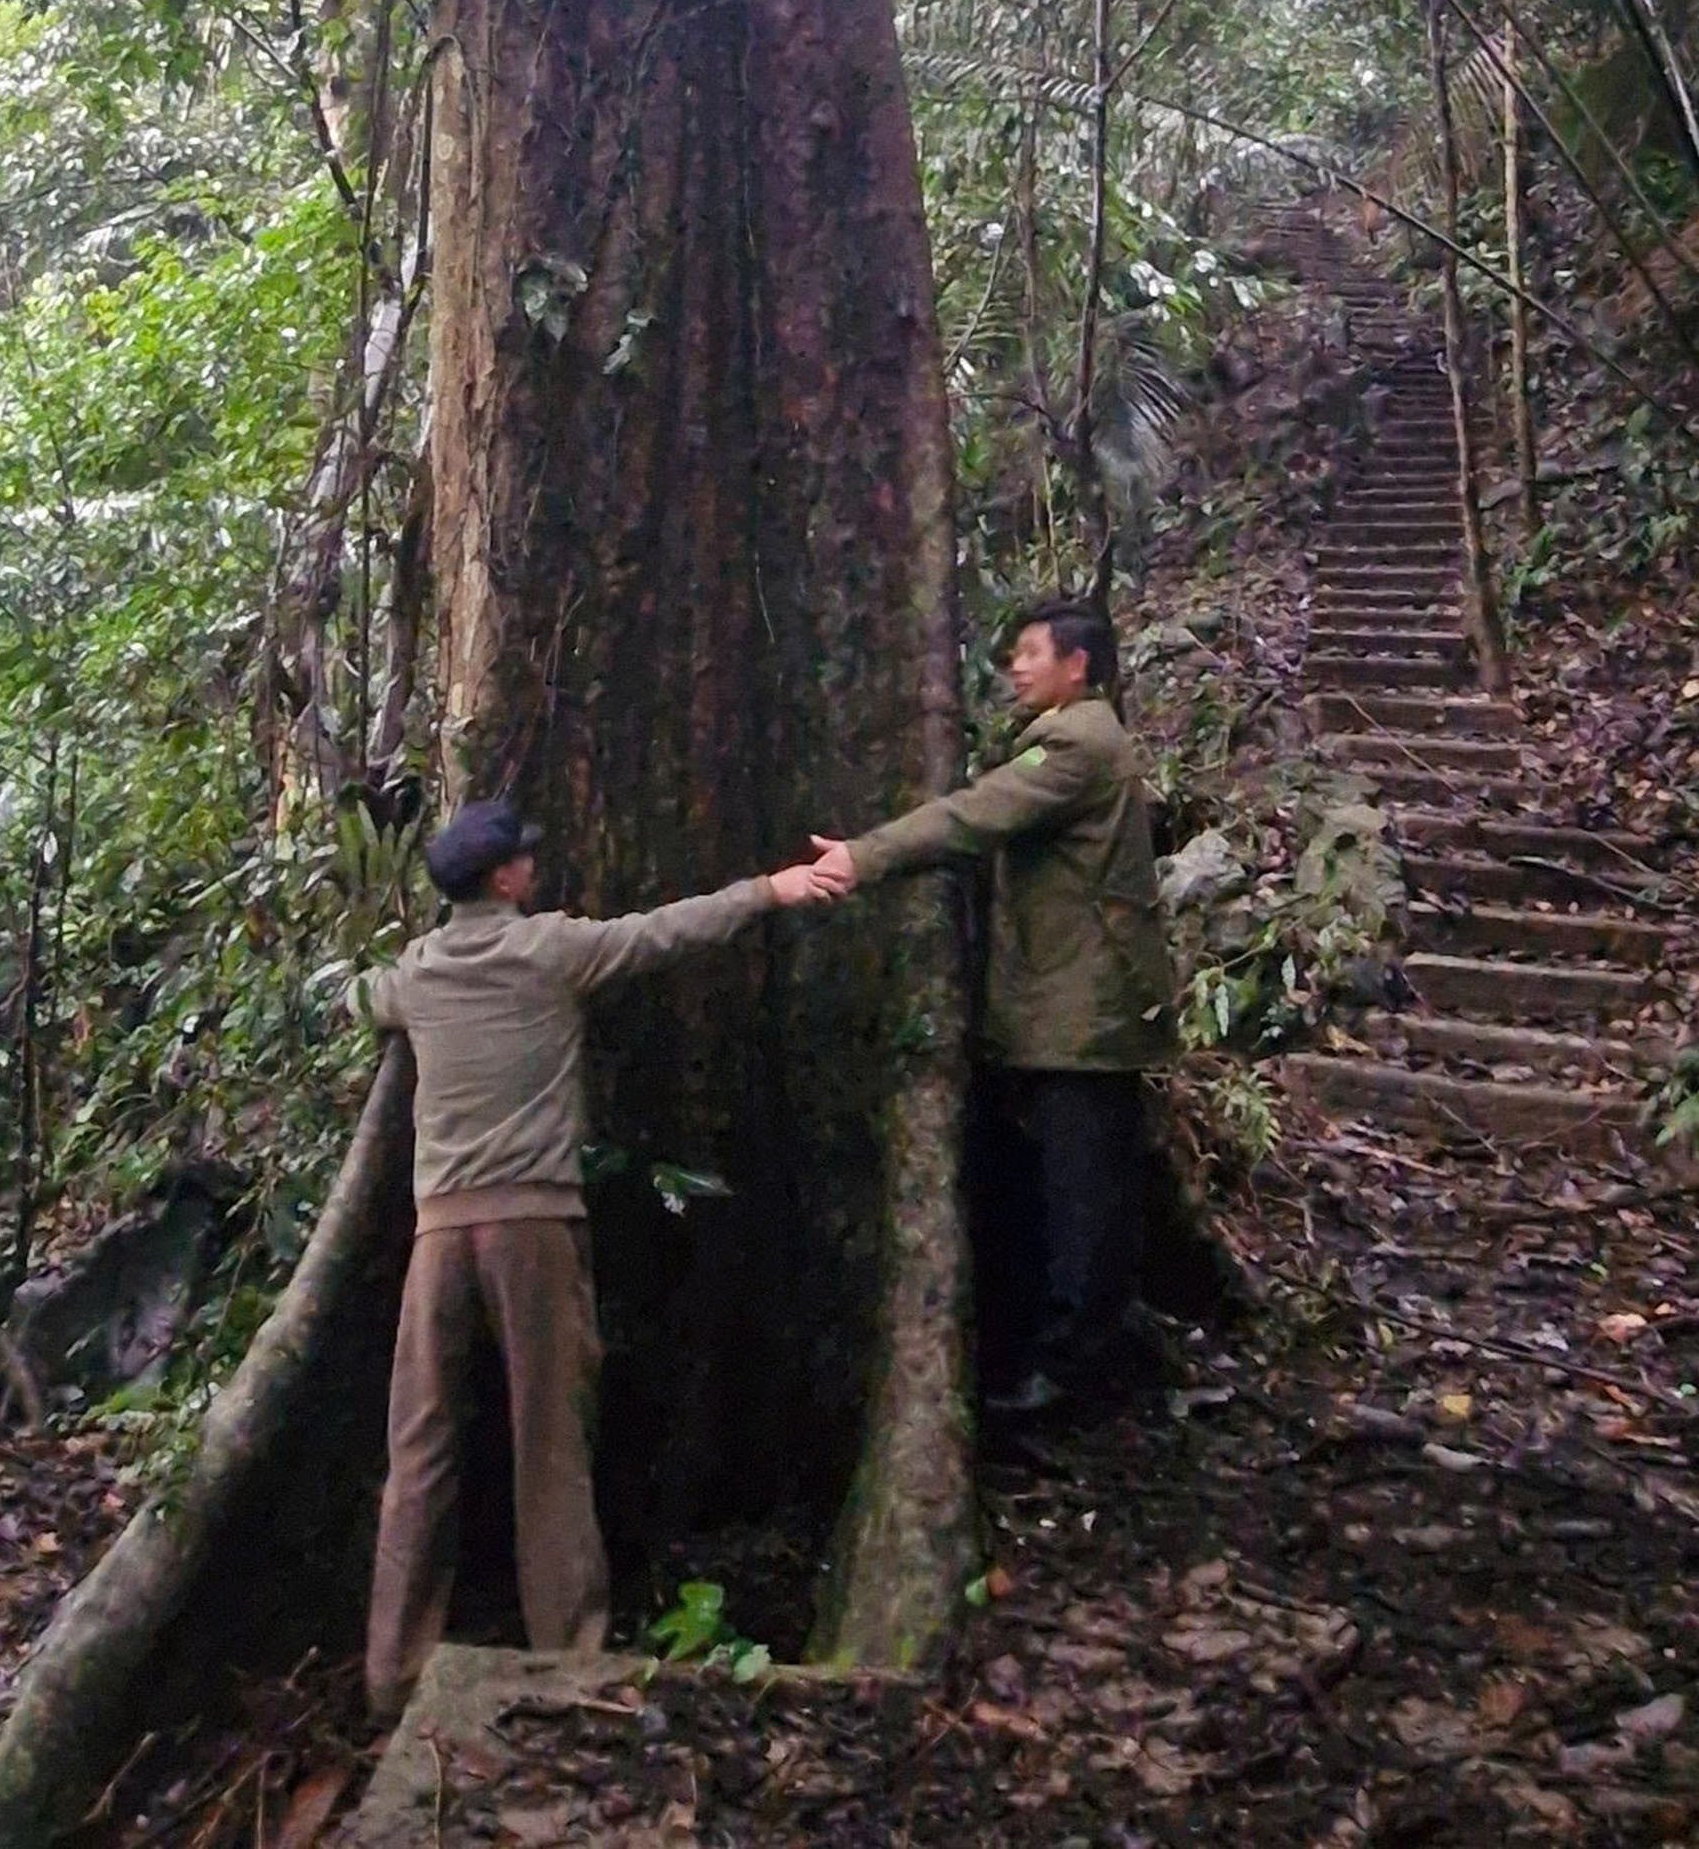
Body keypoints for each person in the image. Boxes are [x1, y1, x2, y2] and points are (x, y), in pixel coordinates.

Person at [363, 797, 828, 1722]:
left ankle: (393, 1674)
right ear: (503, 881)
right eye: (524, 861)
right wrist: (770, 889)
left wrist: (359, 992)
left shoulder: (416, 972)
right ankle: (569, 1654)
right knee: (550, 1441)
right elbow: (665, 934)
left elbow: (360, 997)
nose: (535, 868)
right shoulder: (552, 951)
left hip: (439, 1236)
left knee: (420, 1449)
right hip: (531, 1230)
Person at [808, 598, 1176, 1420]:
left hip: (1081, 1018)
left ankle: (1075, 1375)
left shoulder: (1078, 743)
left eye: (1031, 653)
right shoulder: (1076, 736)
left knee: (1082, 1200)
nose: (1014, 666)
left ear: (1076, 666)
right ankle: (1054, 1357)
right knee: (1050, 1189)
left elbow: (975, 815)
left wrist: (863, 858)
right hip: (1064, 1010)